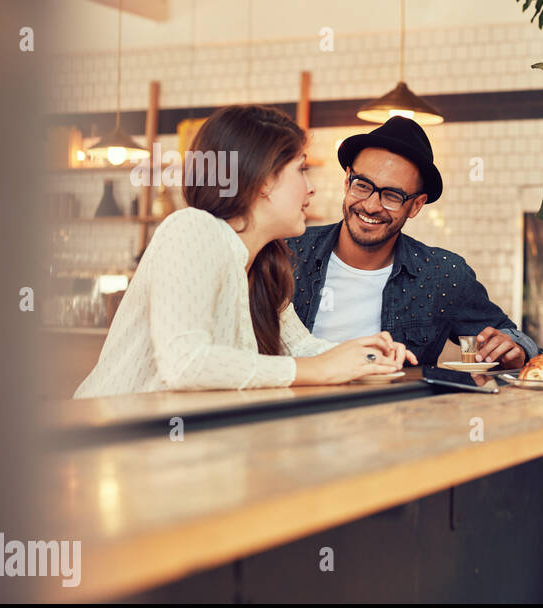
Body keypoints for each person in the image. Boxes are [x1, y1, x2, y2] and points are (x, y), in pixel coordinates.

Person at [73, 105, 410, 399]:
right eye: (301, 169)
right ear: (264, 179)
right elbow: (186, 364)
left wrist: (370, 356)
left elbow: (302, 348)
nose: (311, 187)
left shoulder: (264, 262)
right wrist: (317, 370)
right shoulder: (192, 229)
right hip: (104, 444)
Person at [285, 116, 538, 369]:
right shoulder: (286, 253)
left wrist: (512, 350)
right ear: (347, 180)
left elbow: (508, 338)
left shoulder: (442, 275)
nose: (371, 206)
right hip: (292, 407)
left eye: (392, 196)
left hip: (398, 408)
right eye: (362, 186)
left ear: (416, 205)